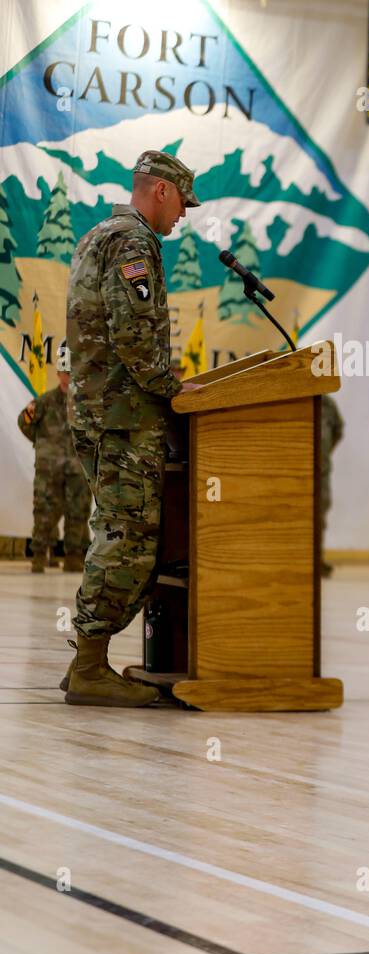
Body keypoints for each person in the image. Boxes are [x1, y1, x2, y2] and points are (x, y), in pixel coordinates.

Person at [63, 150, 201, 706]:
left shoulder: (100, 233)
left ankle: (86, 663)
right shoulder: (134, 242)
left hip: (105, 415)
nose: (183, 217)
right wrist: (172, 388)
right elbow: (132, 334)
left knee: (120, 535)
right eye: (182, 204)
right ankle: (89, 668)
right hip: (123, 419)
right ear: (161, 191)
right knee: (127, 544)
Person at [17, 341, 91, 574]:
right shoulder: (44, 401)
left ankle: (73, 556)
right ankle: (39, 555)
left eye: (71, 372)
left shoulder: (85, 404)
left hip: (77, 469)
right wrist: (42, 444)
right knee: (44, 512)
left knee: (77, 512)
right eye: (64, 372)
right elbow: (24, 422)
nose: (67, 377)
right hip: (49, 467)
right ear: (58, 373)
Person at [320, 394, 344, 577]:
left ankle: (316, 558)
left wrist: (324, 455)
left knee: (319, 516)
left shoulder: (327, 404)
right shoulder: (292, 396)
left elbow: (338, 431)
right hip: (293, 472)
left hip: (321, 471)